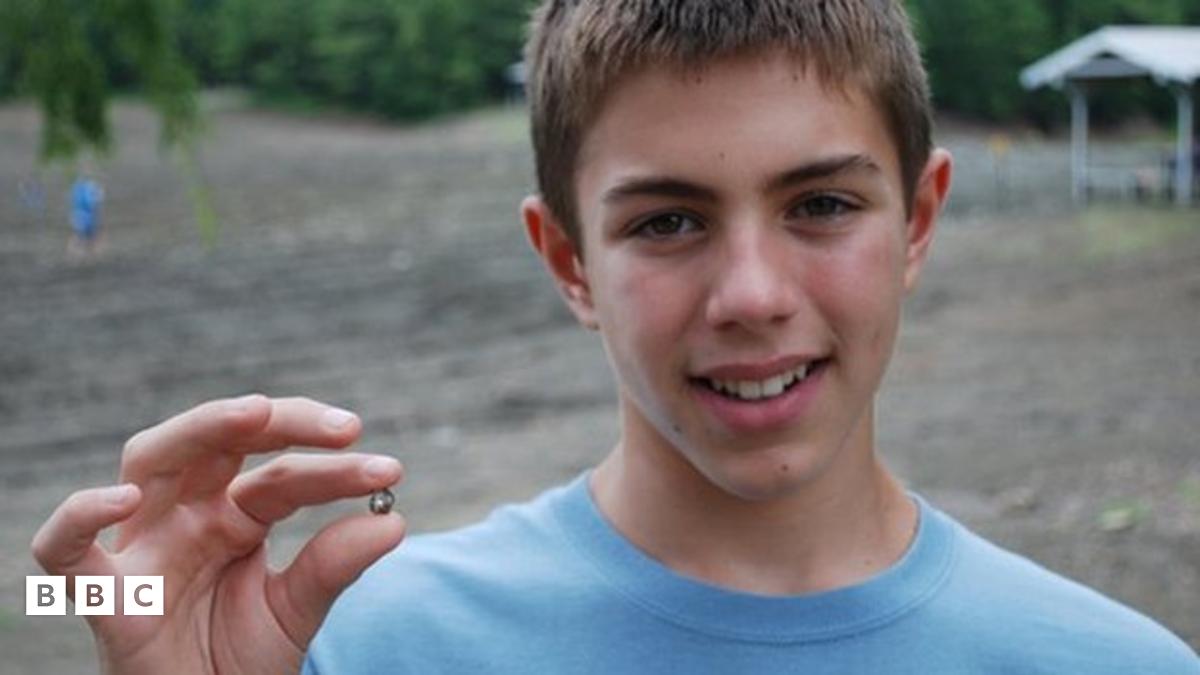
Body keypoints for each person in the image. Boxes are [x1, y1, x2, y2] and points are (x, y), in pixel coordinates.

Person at [31, 1, 1199, 673]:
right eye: (668, 221)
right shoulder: (373, 642)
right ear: (568, 261)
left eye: (821, 203)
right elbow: (45, 605)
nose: (751, 294)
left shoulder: (1120, 666)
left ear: (919, 222)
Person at [67, 168, 105, 258]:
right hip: (83, 214)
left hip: (85, 214)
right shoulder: (83, 188)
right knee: (80, 234)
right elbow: (91, 201)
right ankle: (74, 251)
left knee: (89, 234)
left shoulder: (83, 187)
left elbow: (95, 199)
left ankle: (89, 252)